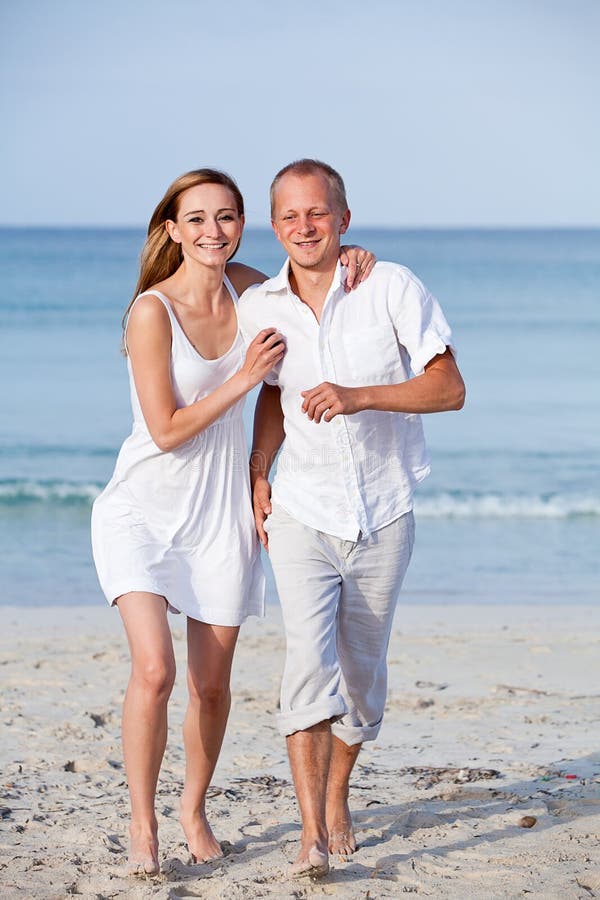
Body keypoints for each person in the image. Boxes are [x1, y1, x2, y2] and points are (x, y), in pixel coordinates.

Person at [90, 168, 374, 876]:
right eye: (197, 219)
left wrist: (353, 257)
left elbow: (311, 272)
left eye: (227, 217)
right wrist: (242, 379)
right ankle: (143, 823)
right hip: (143, 510)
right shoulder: (151, 312)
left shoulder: (252, 291)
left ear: (242, 226)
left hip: (221, 514)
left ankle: (192, 806)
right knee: (154, 670)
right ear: (171, 230)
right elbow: (165, 429)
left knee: (211, 686)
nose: (212, 231)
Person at [237, 159, 465, 878]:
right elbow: (272, 393)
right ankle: (309, 830)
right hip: (302, 510)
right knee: (308, 666)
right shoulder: (261, 303)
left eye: (318, 213)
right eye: (290, 216)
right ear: (275, 226)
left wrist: (358, 395)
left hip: (384, 510)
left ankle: (339, 796)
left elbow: (448, 387)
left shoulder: (389, 285)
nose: (304, 227)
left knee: (362, 678)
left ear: (343, 217)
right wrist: (256, 469)